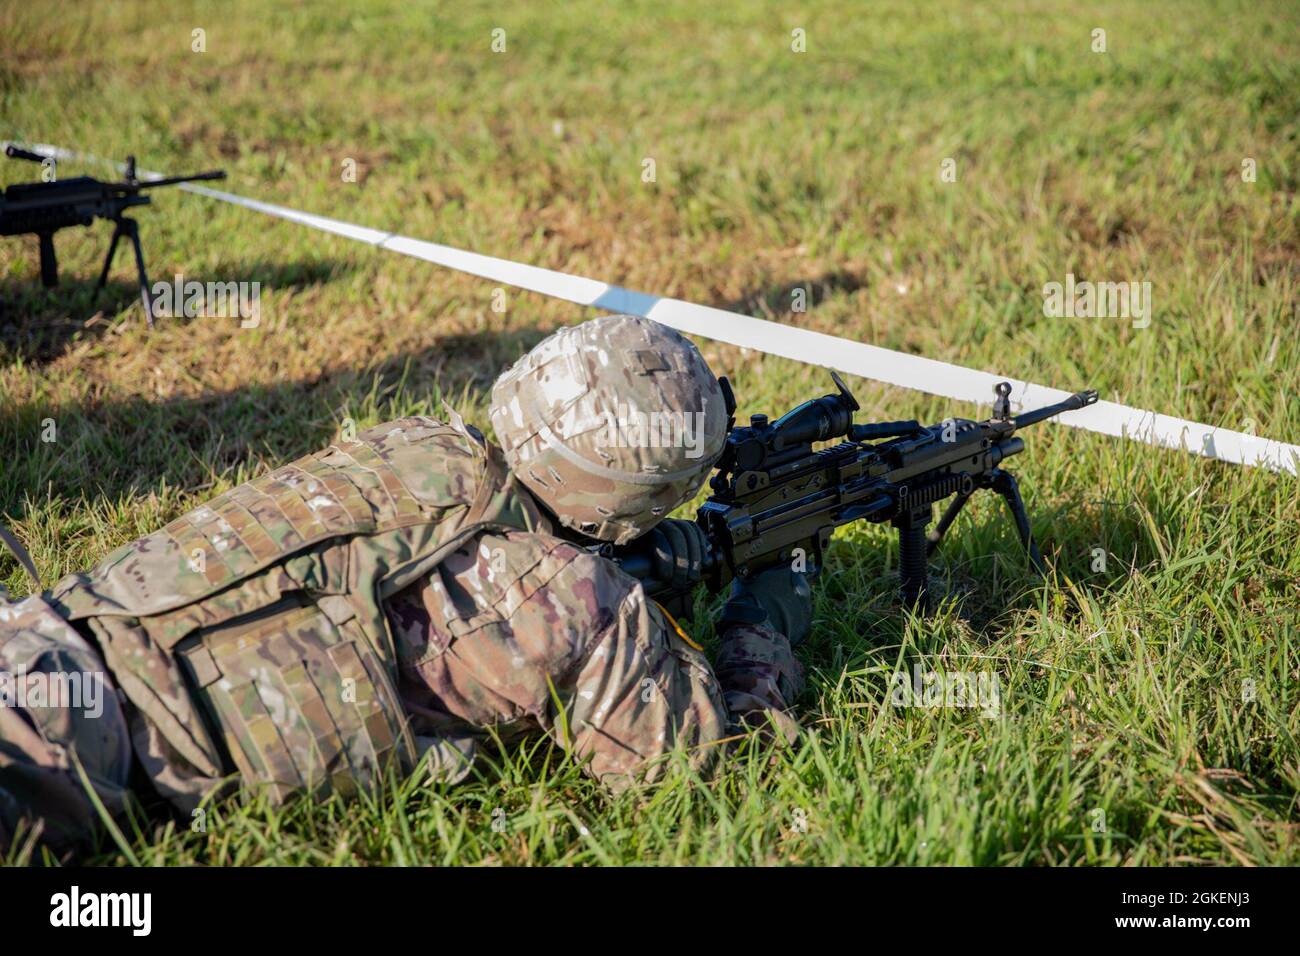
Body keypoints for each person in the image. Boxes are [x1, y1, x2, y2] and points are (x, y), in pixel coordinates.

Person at [0, 314, 809, 854]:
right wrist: (762, 624)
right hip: (78, 756)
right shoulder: (577, 605)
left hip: (43, 634)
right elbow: (705, 784)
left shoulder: (419, 446)